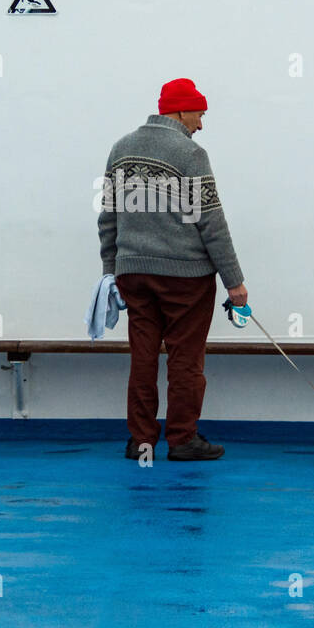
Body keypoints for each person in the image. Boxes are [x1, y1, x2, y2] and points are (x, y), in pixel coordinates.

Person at [97, 77, 248, 461]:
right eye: (199, 113)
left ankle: (141, 440)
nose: (201, 124)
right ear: (180, 111)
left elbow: (108, 216)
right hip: (186, 278)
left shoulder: (121, 149)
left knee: (143, 357)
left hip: (134, 273)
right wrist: (235, 284)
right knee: (185, 358)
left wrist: (110, 270)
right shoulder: (190, 154)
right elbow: (211, 223)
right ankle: (182, 440)